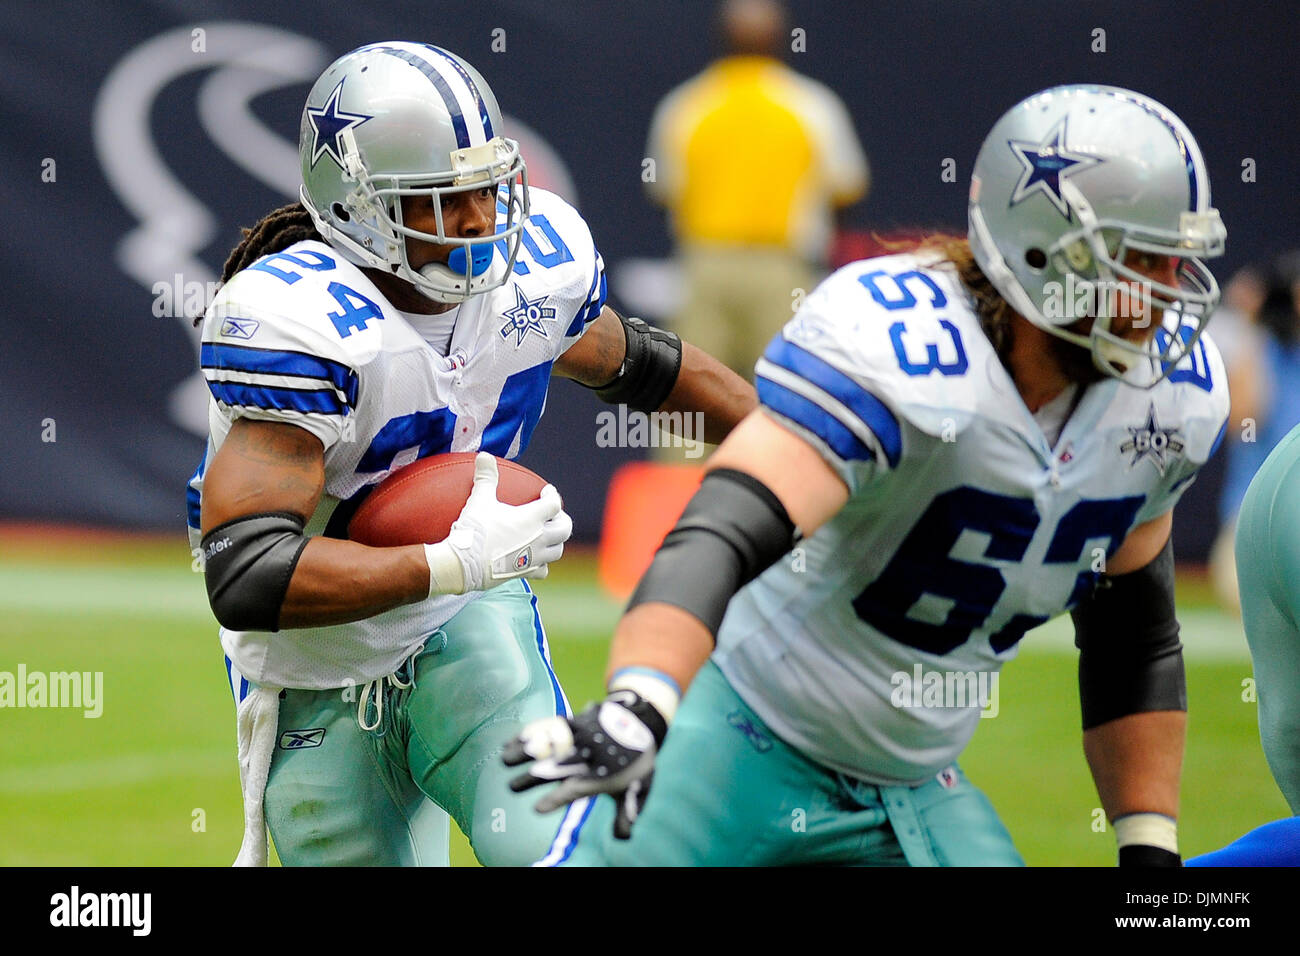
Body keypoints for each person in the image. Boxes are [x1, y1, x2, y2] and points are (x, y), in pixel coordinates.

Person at [506, 84, 1229, 867]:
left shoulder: (1171, 400)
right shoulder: (903, 348)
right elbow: (722, 531)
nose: (1165, 292)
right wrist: (639, 704)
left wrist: (1150, 847)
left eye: (1177, 260)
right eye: (1138, 259)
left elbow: (1133, 635)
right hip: (743, 732)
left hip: (915, 783)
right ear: (1038, 248)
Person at [186, 40, 755, 867]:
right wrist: (451, 560)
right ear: (356, 206)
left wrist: (800, 448)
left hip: (469, 622)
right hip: (314, 666)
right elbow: (246, 574)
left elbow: (644, 365)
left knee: (556, 850)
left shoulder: (528, 278)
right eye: (440, 202)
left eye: (486, 189)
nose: (482, 221)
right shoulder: (300, 321)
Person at [645, 0, 869, 384]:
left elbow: (661, 189)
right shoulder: (812, 105)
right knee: (785, 393)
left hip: (705, 267)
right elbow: (846, 189)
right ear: (779, 38)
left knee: (687, 394)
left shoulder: (687, 104)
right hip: (780, 270)